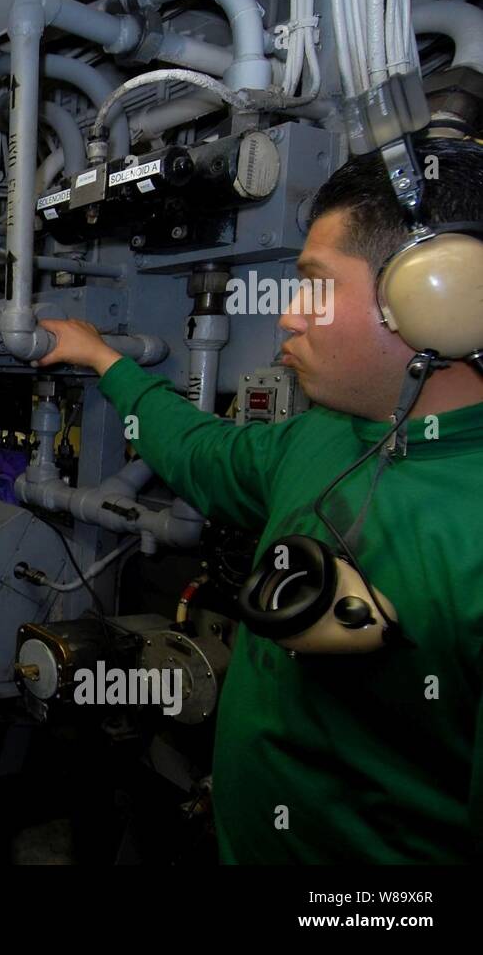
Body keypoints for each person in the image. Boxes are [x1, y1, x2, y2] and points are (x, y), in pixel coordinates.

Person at [37, 135, 483, 863]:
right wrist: (105, 361)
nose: (285, 315)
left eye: (314, 283)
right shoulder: (323, 437)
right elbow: (198, 452)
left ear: (434, 298)